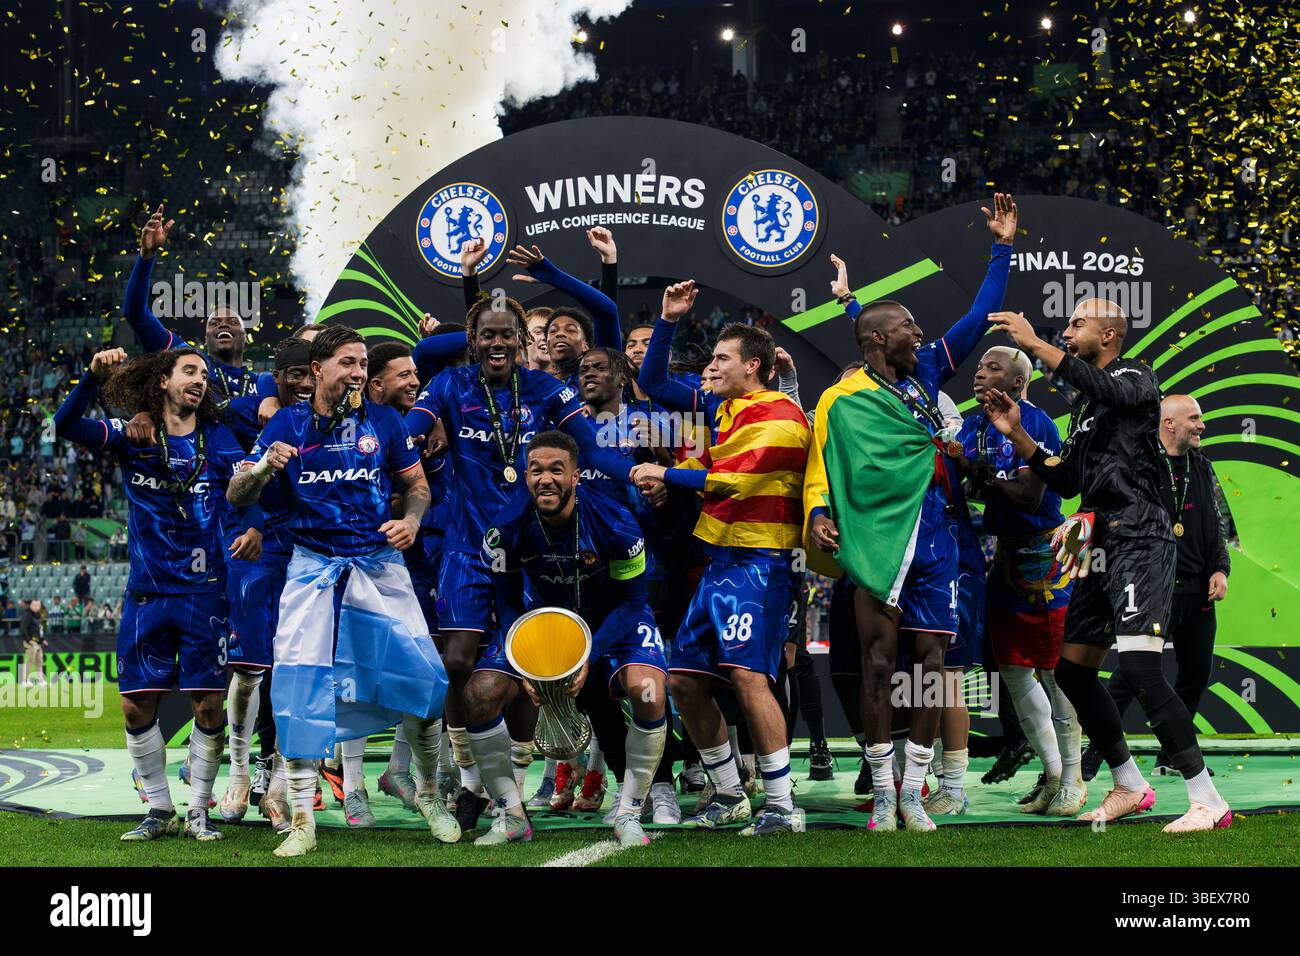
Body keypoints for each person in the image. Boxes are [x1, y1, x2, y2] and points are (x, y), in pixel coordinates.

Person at [404, 294, 654, 838]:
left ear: (524, 341)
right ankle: (467, 773)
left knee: (516, 668)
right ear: (473, 341)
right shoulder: (450, 386)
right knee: (458, 663)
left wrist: (632, 474)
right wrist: (399, 449)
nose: (497, 344)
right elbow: (412, 422)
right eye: (486, 335)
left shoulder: (545, 389)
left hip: (532, 543)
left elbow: (587, 447)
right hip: (470, 547)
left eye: (507, 335)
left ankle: (505, 779)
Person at [806, 194, 1015, 832]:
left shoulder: (926, 371)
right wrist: (817, 510)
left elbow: (980, 316)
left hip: (938, 536)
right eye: (907, 328)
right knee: (875, 663)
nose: (920, 333)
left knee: (936, 666)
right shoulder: (839, 400)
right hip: (877, 538)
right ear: (877, 341)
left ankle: (919, 791)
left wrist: (1002, 246)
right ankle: (884, 785)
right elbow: (824, 464)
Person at [984, 299, 1232, 832]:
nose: (1068, 330)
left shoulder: (1133, 376)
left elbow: (1113, 390)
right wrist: (1018, 435)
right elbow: (1067, 477)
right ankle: (1129, 785)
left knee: (1141, 667)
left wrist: (1033, 343)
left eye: (1078, 323)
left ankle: (1207, 798)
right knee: (1072, 670)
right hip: (1097, 536)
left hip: (1139, 534)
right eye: (1066, 325)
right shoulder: (1086, 408)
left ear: (1111, 332)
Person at [228, 325, 461, 856]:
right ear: (317, 369)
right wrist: (265, 464)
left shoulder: (384, 420)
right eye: (348, 363)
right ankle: (304, 820)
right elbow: (237, 490)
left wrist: (413, 522)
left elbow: (417, 488)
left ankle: (429, 795)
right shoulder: (285, 424)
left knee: (423, 682)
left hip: (380, 567)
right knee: (296, 691)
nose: (359, 373)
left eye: (362, 364)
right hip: (311, 571)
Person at [54, 347, 263, 843]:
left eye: (205, 375)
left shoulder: (222, 439)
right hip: (147, 593)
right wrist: (89, 377)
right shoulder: (134, 434)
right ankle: (158, 808)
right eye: (189, 370)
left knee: (208, 706)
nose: (199, 379)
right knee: (135, 705)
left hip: (205, 593)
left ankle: (199, 811)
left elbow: (249, 489)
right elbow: (66, 425)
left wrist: (252, 526)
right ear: (163, 380)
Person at [632, 281, 812, 837]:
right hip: (720, 563)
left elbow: (733, 481)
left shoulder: (781, 414)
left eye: (720, 359)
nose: (710, 367)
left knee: (746, 676)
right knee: (684, 680)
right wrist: (668, 320)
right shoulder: (725, 405)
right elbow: (654, 382)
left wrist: (666, 473)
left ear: (752, 365)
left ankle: (783, 806)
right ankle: (730, 793)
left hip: (763, 563)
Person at [474, 431, 670, 847]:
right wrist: (525, 659)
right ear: (525, 476)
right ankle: (511, 815)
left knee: (649, 691)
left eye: (556, 470)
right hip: (547, 624)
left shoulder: (616, 523)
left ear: (576, 477)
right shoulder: (504, 528)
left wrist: (589, 654)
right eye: (536, 470)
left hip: (615, 620)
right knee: (480, 693)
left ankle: (631, 812)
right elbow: (507, 603)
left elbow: (634, 601)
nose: (545, 479)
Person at [955, 346, 1082, 814]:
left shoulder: (1037, 423)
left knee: (1053, 672)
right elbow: (968, 479)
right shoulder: (974, 424)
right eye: (980, 364)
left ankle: (1074, 779)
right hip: (1005, 558)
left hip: (1045, 558)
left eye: (993, 367)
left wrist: (982, 479)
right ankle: (1052, 775)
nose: (979, 373)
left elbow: (1030, 497)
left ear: (1016, 382)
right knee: (1011, 670)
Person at [1088, 394, 1231, 778]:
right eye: (1195, 418)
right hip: (1155, 586)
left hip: (1197, 590)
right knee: (1131, 675)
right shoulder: (1143, 466)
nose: (1202, 425)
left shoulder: (1202, 466)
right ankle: (1095, 754)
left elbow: (1215, 523)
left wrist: (1220, 569)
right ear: (1169, 423)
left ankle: (1171, 753)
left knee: (1196, 675)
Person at [216, 336, 316, 825]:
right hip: (256, 546)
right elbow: (235, 479)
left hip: (311, 549)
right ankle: (236, 777)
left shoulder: (337, 415)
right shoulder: (242, 411)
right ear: (276, 376)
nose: (303, 382)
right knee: (250, 665)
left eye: (309, 372)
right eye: (292, 373)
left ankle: (276, 783)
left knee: (296, 668)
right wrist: (255, 521)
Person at [123, 205, 258, 406]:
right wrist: (146, 256)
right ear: (205, 337)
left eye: (232, 321)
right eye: (214, 323)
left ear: (245, 336)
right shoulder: (188, 359)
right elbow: (137, 315)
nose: (222, 324)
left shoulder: (263, 384)